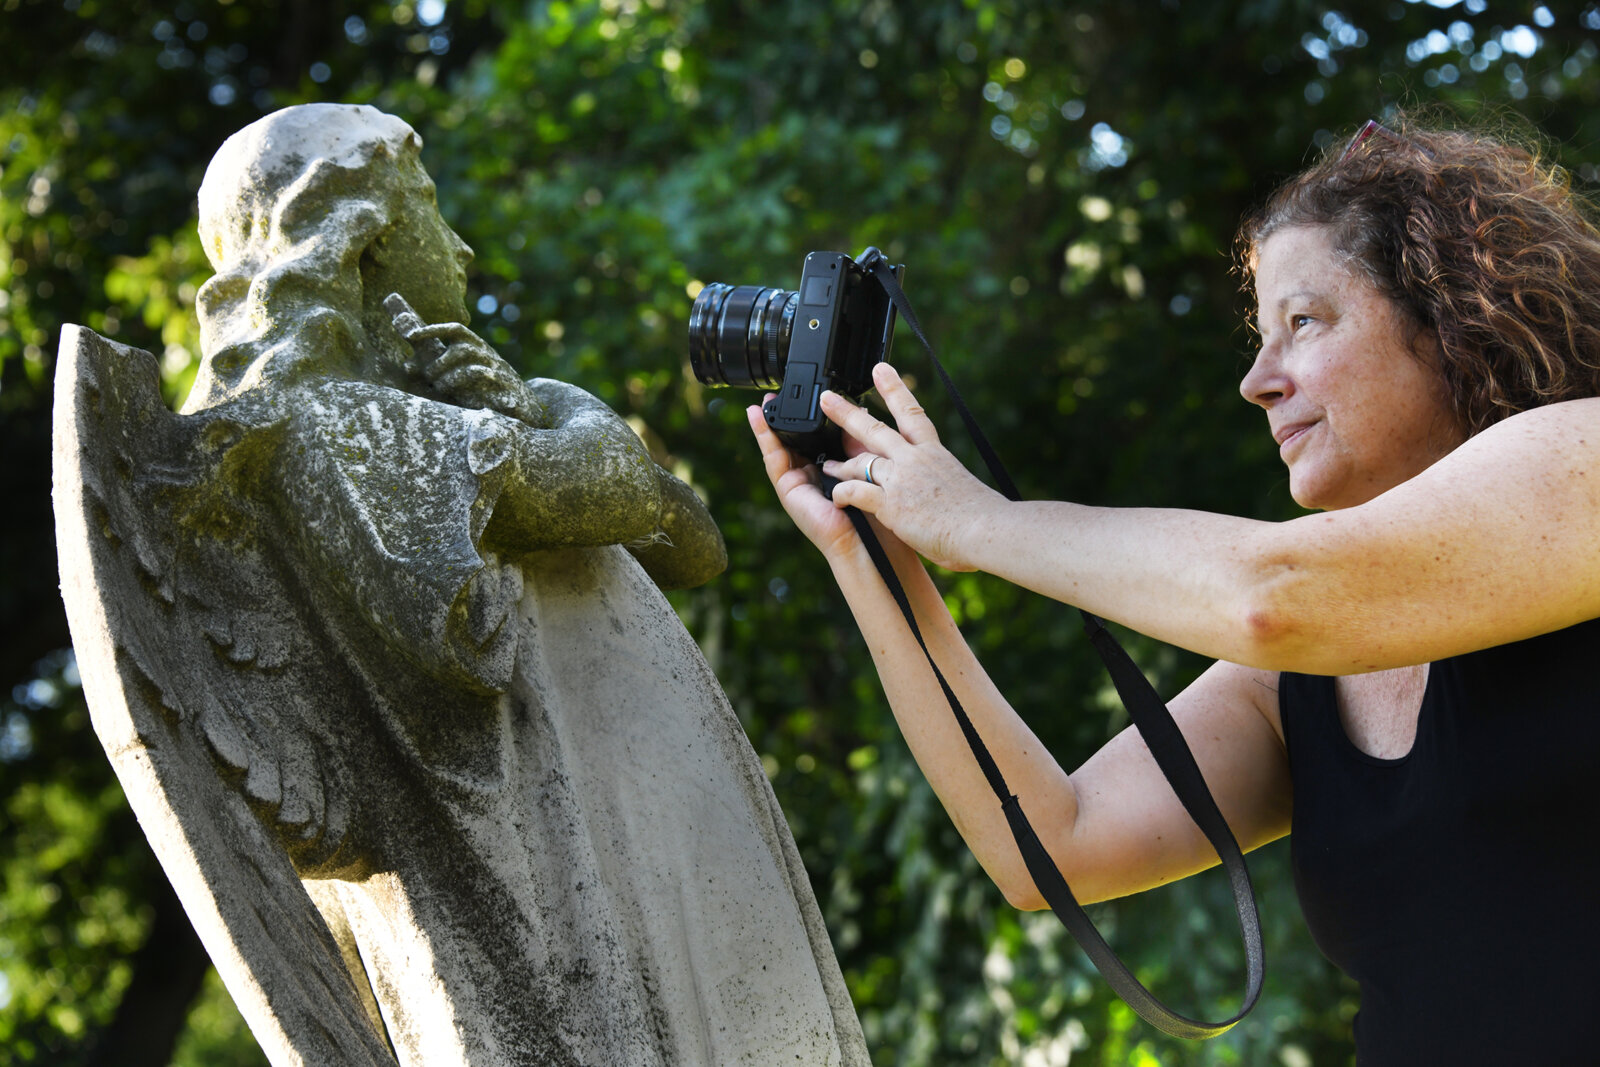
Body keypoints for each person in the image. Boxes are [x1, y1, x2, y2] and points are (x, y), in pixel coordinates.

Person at [748, 115, 1600, 1063]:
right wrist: (874, 553)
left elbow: (1273, 593)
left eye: (1303, 322)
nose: (1256, 379)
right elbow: (1056, 843)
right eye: (1261, 333)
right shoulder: (1291, 687)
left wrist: (976, 522)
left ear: (1446, 317)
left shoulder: (1586, 458)